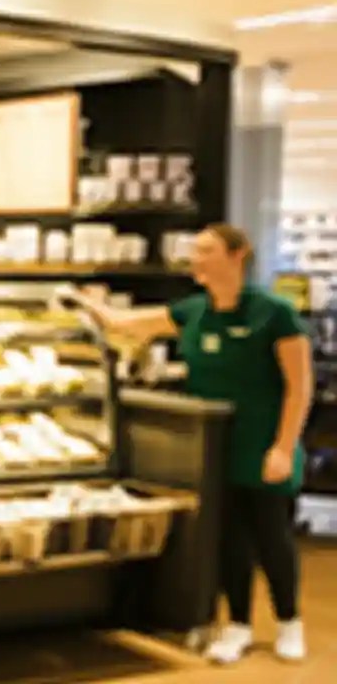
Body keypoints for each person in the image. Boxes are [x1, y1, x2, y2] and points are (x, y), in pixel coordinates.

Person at [66, 223, 313, 665]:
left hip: (263, 442)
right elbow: (127, 324)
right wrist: (87, 304)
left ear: (238, 255)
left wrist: (283, 447)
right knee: (229, 539)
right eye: (194, 251)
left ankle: (290, 623)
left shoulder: (274, 313)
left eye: (206, 251)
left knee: (272, 536)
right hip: (212, 445)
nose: (195, 259)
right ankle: (237, 624)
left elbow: (299, 386)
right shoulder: (193, 311)